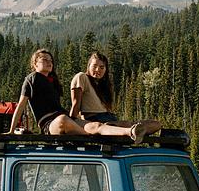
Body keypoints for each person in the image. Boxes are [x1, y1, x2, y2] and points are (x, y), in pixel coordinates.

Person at [8, 49, 154, 141]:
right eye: (44, 60)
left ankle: (130, 132)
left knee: (96, 125)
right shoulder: (31, 79)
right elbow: (21, 105)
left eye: (51, 60)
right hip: (49, 125)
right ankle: (91, 137)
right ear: (35, 63)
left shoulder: (53, 81)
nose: (49, 62)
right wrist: (11, 130)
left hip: (65, 118)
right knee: (63, 120)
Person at [68, 52, 161, 139]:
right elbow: (75, 103)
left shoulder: (103, 86)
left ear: (105, 69)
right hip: (94, 119)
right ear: (88, 66)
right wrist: (72, 123)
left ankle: (134, 130)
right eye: (95, 66)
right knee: (126, 124)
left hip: (109, 118)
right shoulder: (81, 77)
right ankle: (130, 131)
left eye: (101, 67)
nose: (98, 70)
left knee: (156, 124)